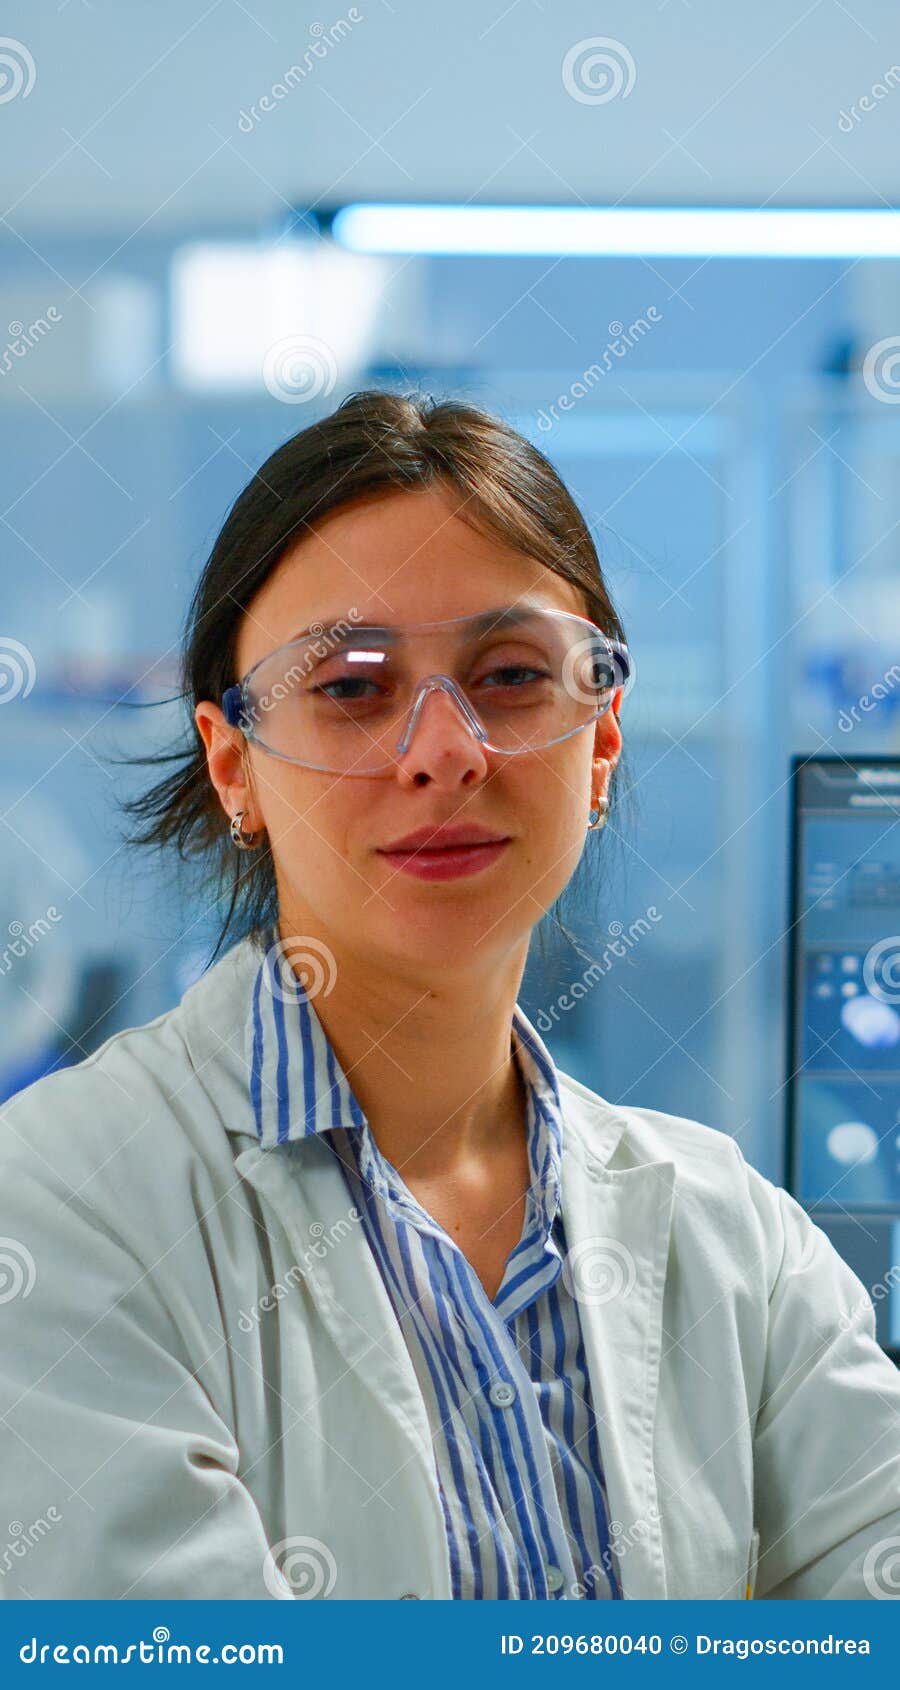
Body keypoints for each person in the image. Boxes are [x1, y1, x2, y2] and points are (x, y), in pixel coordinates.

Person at [1, 390, 899, 1603]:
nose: (445, 749)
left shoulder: (741, 1244)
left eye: (512, 673)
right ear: (233, 767)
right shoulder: (58, 1202)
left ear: (604, 739)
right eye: (354, 688)